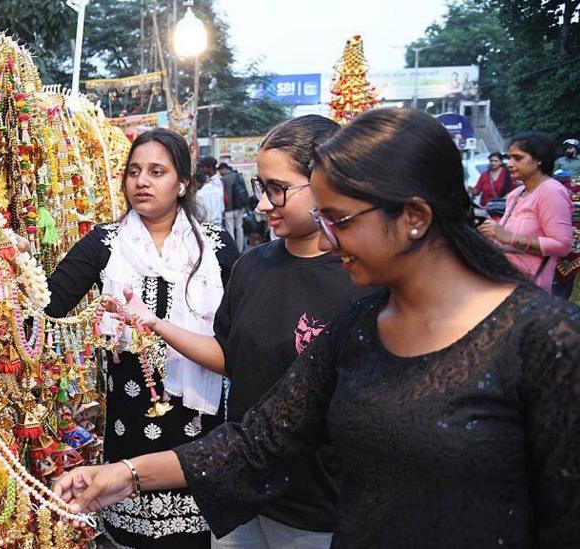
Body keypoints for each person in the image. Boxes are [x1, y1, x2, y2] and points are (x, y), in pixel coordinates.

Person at [54, 108, 580, 547]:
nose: (326, 239)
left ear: (414, 217)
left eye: (340, 219)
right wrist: (126, 474)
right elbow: (264, 438)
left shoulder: (543, 340)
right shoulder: (360, 322)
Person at [105, 115, 371, 549]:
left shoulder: (360, 279)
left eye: (277, 189)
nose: (262, 204)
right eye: (261, 187)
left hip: (317, 508)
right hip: (241, 493)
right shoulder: (253, 266)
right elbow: (231, 359)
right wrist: (156, 324)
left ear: (328, 183)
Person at [45, 128, 240, 548]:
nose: (141, 182)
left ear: (182, 183)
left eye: (156, 171)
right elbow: (50, 304)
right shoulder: (105, 244)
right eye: (134, 172)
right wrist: (16, 274)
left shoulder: (216, 248)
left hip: (200, 420)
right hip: (128, 418)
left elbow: (239, 336)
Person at [479, 132, 574, 292]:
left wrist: (509, 237)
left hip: (530, 289)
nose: (509, 164)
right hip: (505, 281)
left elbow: (562, 245)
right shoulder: (516, 194)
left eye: (518, 158)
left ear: (538, 160)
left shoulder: (551, 191)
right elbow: (503, 238)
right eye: (509, 158)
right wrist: (491, 233)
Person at [220, 162, 249, 251]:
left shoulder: (223, 179)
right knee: (239, 228)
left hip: (229, 208)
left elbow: (223, 194)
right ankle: (240, 248)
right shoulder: (239, 176)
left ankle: (233, 250)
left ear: (223, 169)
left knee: (230, 229)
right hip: (239, 207)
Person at [196, 157, 224, 225]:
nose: (202, 170)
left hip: (211, 220)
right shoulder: (209, 180)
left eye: (203, 167)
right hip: (216, 220)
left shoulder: (217, 182)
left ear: (209, 168)